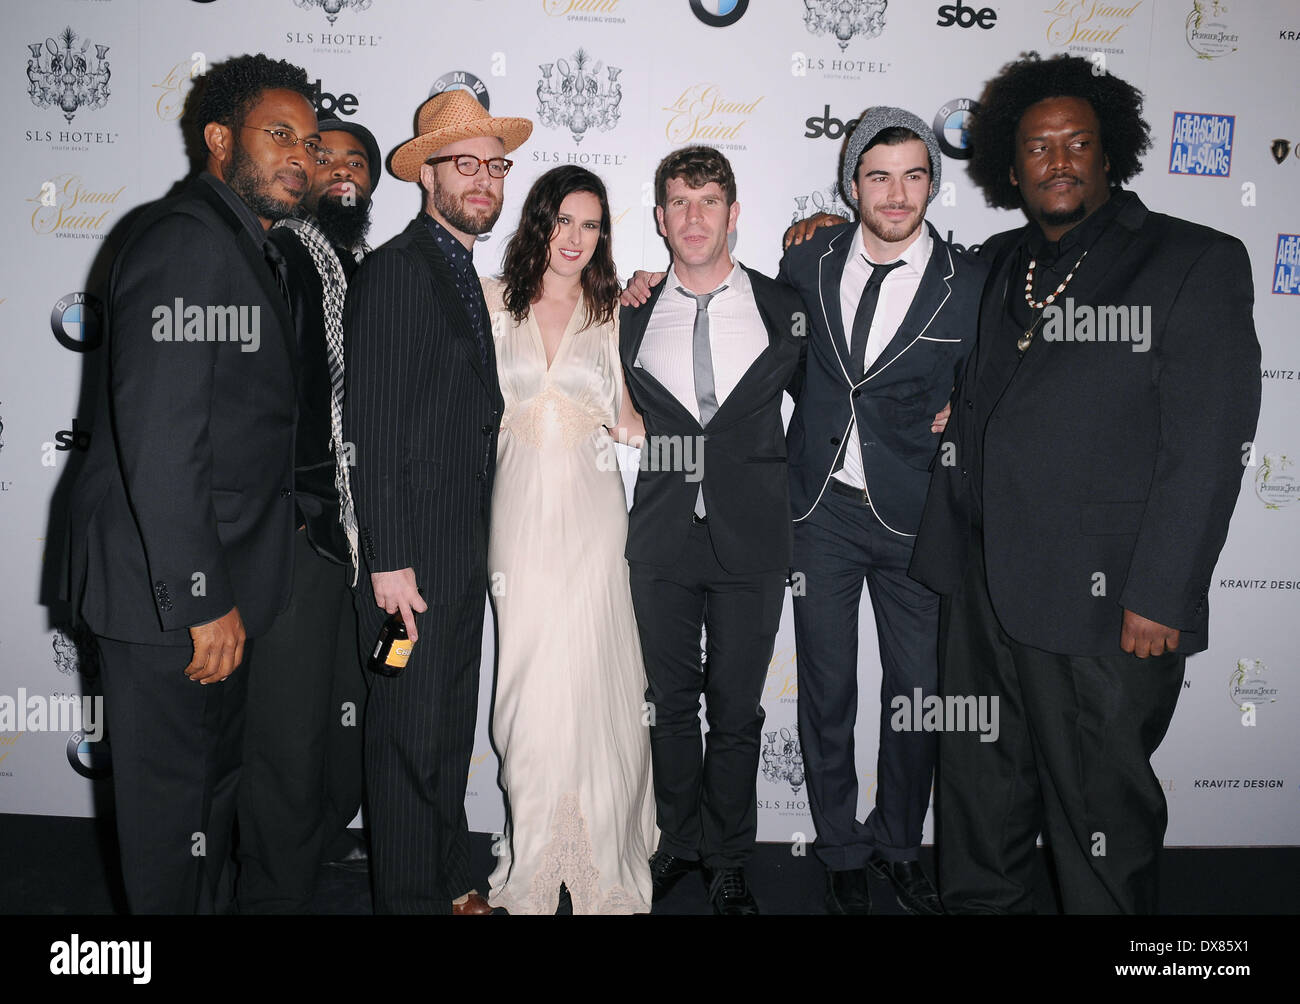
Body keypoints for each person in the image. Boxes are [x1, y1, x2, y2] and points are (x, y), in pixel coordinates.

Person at [908, 53, 1262, 913]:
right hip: (980, 586)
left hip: (1109, 604)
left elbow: (1208, 447)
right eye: (1037, 147)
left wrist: (1164, 595)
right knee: (978, 799)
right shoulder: (998, 262)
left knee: (1098, 819)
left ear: (1110, 155)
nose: (1058, 161)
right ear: (1009, 163)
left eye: (1077, 144)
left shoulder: (1192, 260)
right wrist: (818, 231)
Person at [65, 53, 316, 913]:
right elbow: (164, 438)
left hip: (212, 593)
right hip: (171, 599)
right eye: (278, 134)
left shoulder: (249, 248)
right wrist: (204, 598)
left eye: (312, 142)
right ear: (218, 139)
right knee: (174, 828)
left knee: (209, 802)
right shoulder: (186, 243)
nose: (302, 156)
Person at [775, 109, 984, 916]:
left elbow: (1011, 381)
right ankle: (839, 846)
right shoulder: (808, 259)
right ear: (850, 183)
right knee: (826, 690)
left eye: (913, 175)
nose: (896, 195)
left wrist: (966, 408)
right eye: (877, 176)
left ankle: (899, 841)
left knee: (918, 693)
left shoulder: (972, 284)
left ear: (933, 180)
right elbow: (773, 350)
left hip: (918, 516)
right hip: (818, 510)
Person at [343, 89, 531, 915]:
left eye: (494, 164)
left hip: (456, 556)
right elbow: (373, 430)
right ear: (427, 176)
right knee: (404, 735)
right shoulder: (395, 272)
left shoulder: (461, 272)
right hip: (407, 571)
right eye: (466, 164)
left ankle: (453, 876)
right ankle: (411, 899)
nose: (485, 180)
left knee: (444, 728)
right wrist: (389, 562)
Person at [620, 146, 804, 915]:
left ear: (734, 213)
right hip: (661, 538)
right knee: (668, 705)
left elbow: (839, 406)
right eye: (679, 203)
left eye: (709, 201)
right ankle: (677, 844)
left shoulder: (783, 308)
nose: (694, 217)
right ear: (660, 219)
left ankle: (728, 856)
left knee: (736, 711)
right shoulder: (629, 312)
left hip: (754, 540)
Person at [481, 165, 656, 915]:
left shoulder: (614, 313)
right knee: (525, 686)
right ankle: (535, 846)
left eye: (592, 225)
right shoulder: (490, 302)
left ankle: (600, 845)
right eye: (564, 221)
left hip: (592, 518)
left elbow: (632, 424)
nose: (576, 239)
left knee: (594, 678)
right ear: (537, 223)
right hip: (516, 517)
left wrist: (663, 299)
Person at [237, 118, 382, 912]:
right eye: (324, 155)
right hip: (301, 534)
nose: (341, 169)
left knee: (352, 723)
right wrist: (285, 512)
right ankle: (272, 895)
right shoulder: (281, 256)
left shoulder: (367, 268)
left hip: (361, 545)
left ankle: (312, 852)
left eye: (357, 161)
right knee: (287, 738)